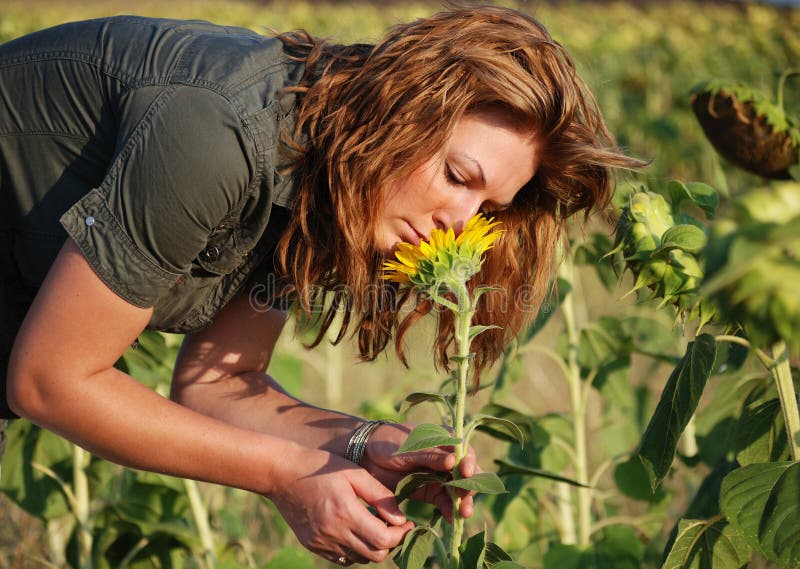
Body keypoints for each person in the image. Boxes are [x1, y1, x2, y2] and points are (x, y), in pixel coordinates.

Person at [0, 5, 641, 566]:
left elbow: (217, 384)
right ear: (404, 114)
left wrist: (364, 442)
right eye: (456, 175)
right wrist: (287, 474)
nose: (460, 224)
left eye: (489, 208)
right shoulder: (221, 138)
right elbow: (49, 381)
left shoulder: (323, 176)